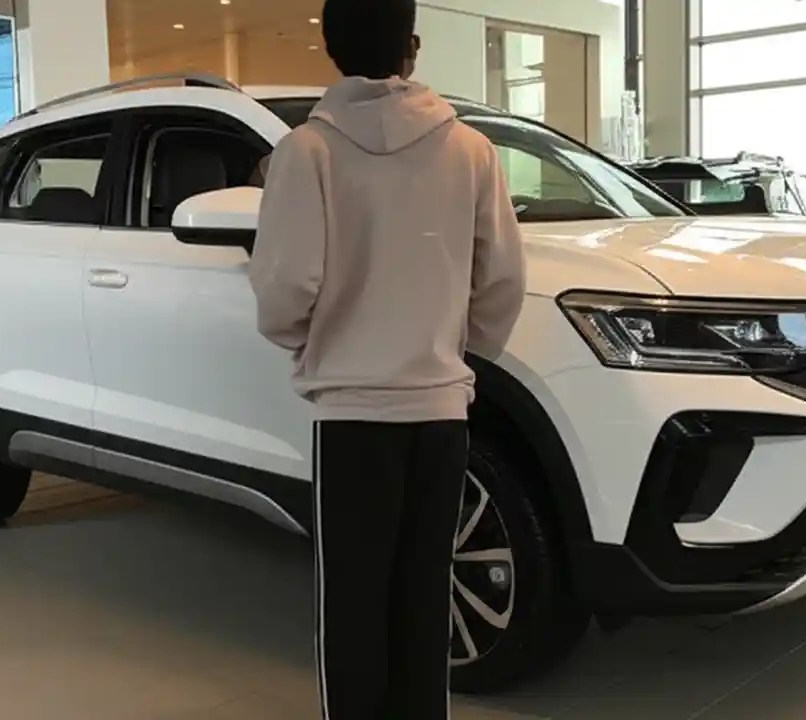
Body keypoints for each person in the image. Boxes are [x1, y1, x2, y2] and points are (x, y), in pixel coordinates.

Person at [249, 0, 526, 716]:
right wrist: (453, 350)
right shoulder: (470, 151)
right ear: (414, 45)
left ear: (331, 47)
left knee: (352, 605)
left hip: (350, 416)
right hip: (440, 411)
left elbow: (283, 288)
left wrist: (312, 339)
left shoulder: (307, 151)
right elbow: (501, 281)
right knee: (423, 597)